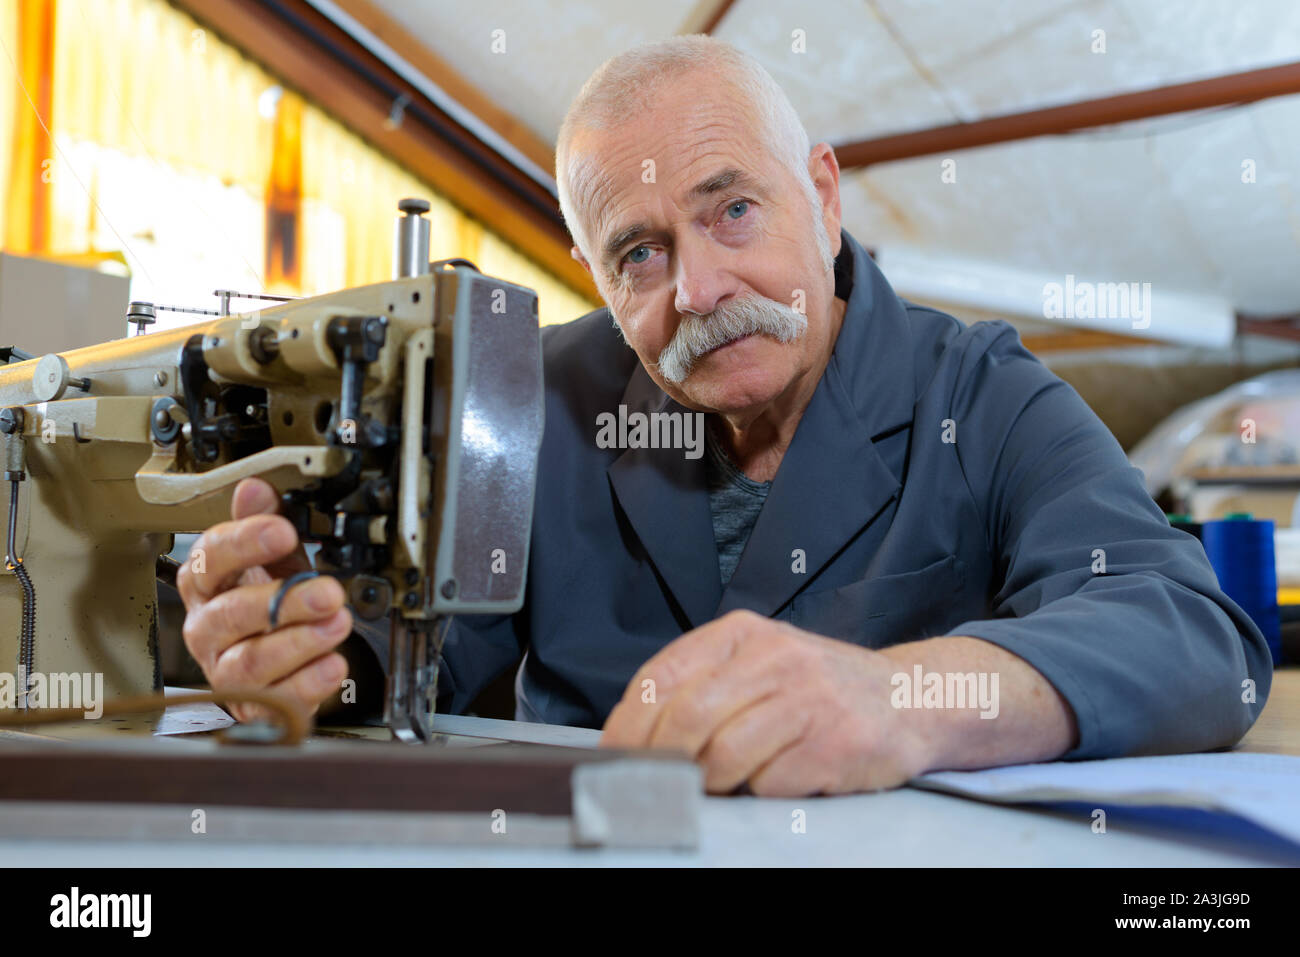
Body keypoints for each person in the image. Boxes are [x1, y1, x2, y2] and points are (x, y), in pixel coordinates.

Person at [177, 36, 1272, 797]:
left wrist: (904, 698)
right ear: (593, 275)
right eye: (639, 254)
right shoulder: (538, 397)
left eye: (732, 210)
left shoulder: (978, 394)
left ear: (824, 196)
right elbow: (408, 652)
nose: (697, 289)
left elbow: (1190, 639)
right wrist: (309, 657)